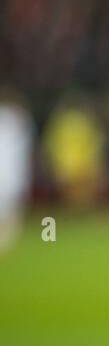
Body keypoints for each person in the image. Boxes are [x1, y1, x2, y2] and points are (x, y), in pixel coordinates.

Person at [0, 89, 34, 253]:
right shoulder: (20, 121)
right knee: (10, 214)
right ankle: (5, 245)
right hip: (11, 175)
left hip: (10, 174)